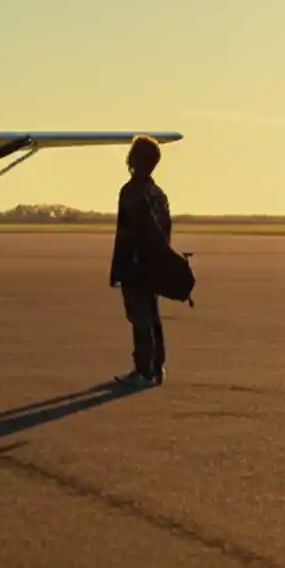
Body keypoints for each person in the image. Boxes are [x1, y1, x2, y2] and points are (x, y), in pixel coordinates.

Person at [109, 135, 171, 386]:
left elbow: (127, 234)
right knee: (153, 316)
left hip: (135, 266)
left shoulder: (131, 191)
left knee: (139, 318)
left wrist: (119, 270)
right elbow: (165, 229)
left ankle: (143, 369)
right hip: (155, 264)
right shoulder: (158, 193)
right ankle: (156, 368)